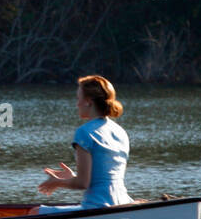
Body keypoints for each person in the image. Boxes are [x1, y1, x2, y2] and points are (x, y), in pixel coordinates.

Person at [36, 75, 135, 209]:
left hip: (97, 206)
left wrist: (57, 182)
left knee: (35, 212)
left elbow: (83, 183)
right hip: (123, 202)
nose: (77, 104)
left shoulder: (84, 132)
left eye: (78, 98)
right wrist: (71, 177)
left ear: (88, 101)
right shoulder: (120, 131)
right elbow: (102, 178)